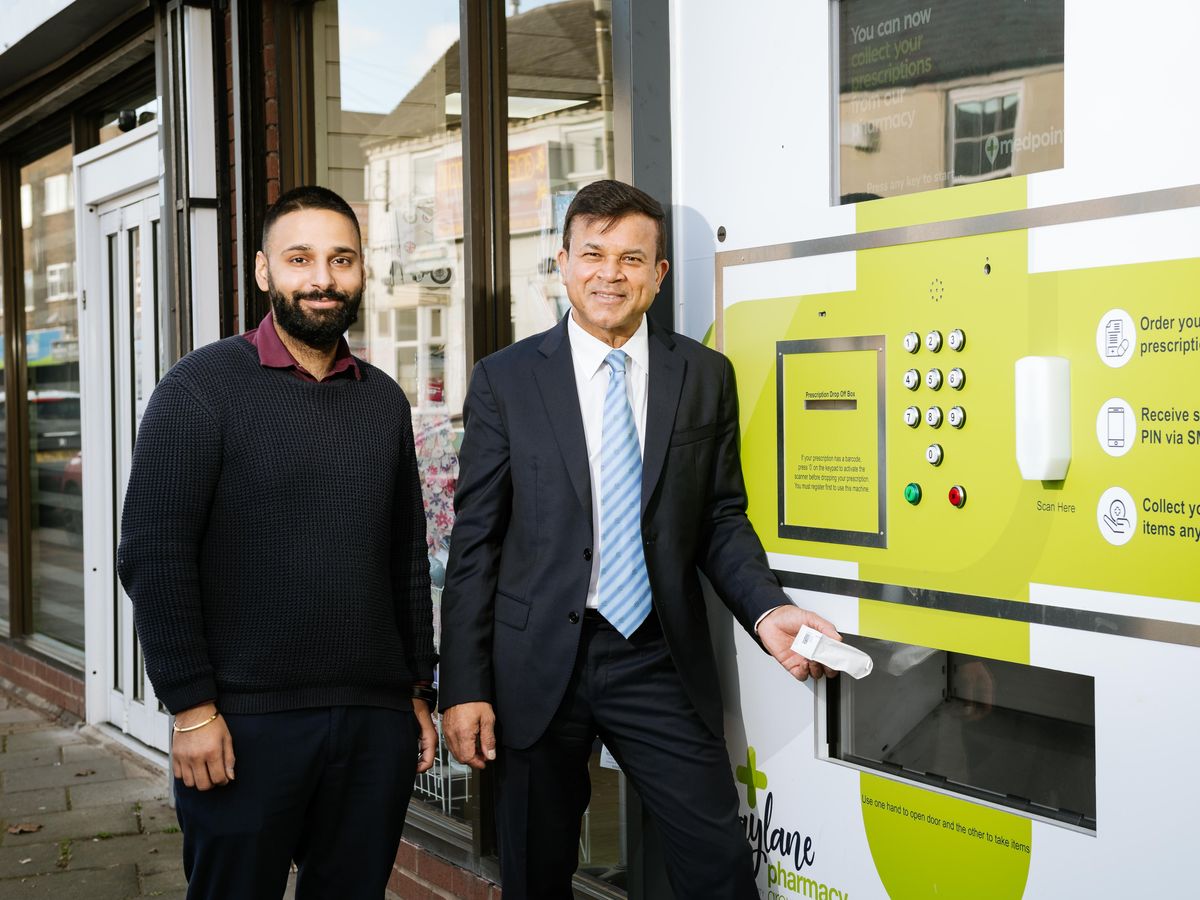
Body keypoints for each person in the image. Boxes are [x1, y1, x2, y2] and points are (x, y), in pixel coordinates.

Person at [438, 179, 841, 899]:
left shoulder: (703, 376)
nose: (609, 274)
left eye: (631, 258)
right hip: (534, 668)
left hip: (653, 656)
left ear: (657, 274)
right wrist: (463, 687)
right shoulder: (506, 381)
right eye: (593, 254)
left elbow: (719, 516)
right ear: (562, 262)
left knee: (717, 867)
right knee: (535, 876)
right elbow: (476, 544)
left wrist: (766, 611)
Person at [117, 185, 438, 900]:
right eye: (300, 259)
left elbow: (405, 560)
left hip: (372, 722)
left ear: (361, 272)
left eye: (341, 260)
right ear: (263, 272)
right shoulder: (199, 388)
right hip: (242, 724)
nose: (322, 278)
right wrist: (191, 708)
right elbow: (153, 554)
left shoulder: (382, 399)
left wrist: (416, 688)